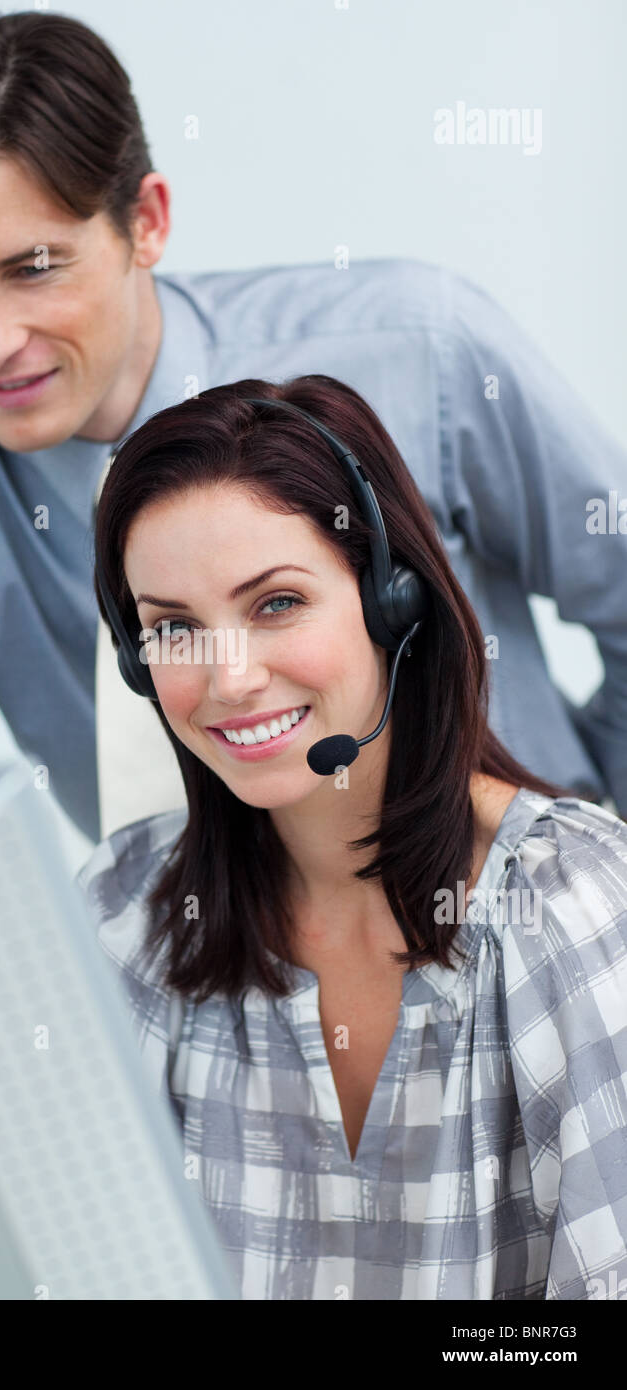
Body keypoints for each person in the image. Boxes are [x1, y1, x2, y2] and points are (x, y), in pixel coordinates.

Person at [0, 11, 627, 843]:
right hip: (204, 974)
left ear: (146, 222)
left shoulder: (419, 350)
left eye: (33, 269)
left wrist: (580, 864)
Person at [75, 374, 627, 1301]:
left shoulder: (569, 907)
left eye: (275, 604)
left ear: (392, 605)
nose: (230, 679)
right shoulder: (125, 910)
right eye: (172, 628)